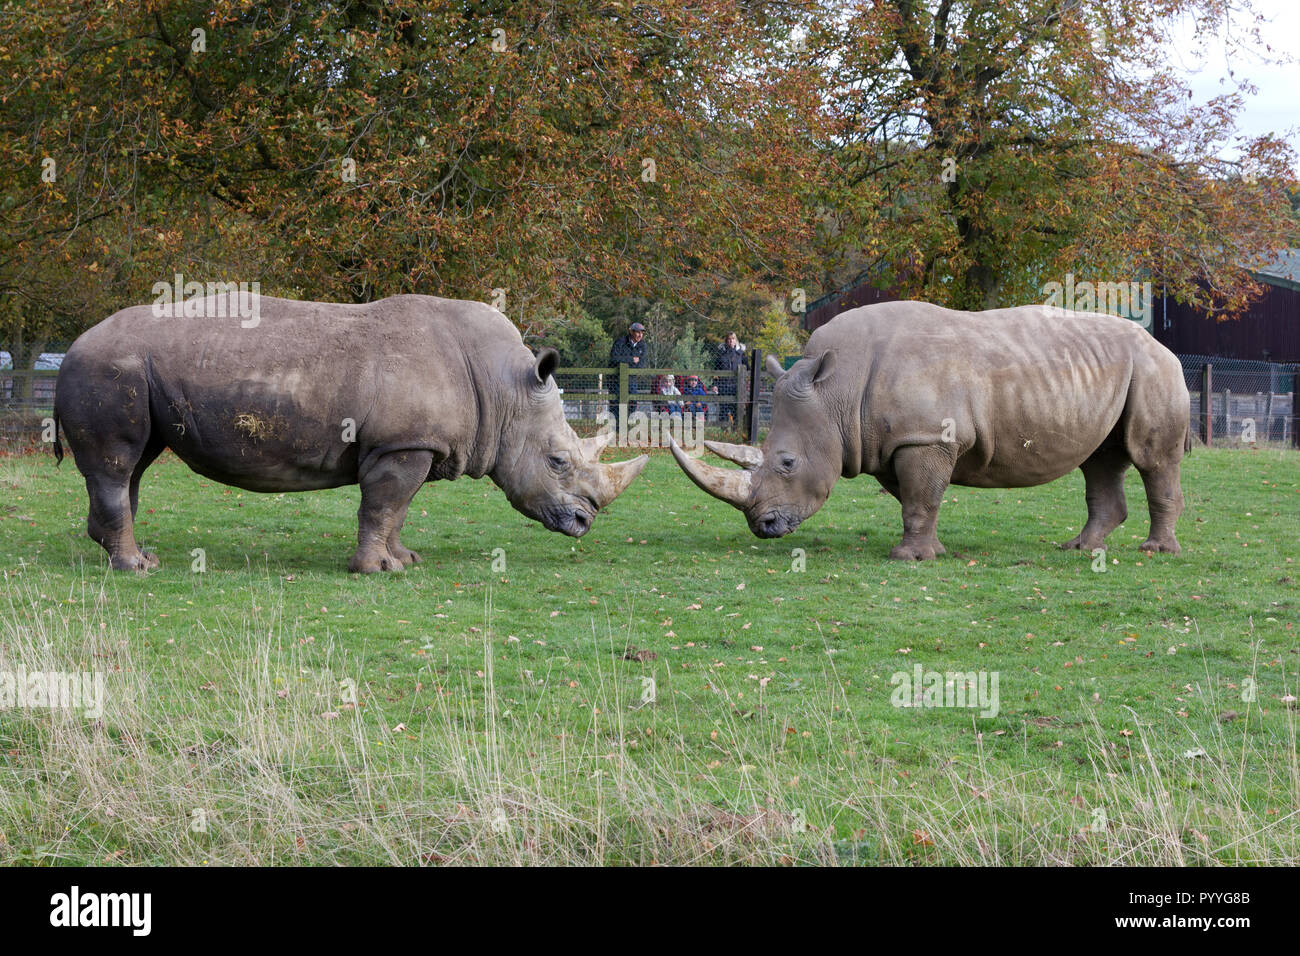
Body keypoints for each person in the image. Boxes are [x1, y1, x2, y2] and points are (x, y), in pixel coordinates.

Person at [608, 322, 647, 420]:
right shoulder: (620, 342)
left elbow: (641, 363)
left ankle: (628, 424)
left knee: (633, 401)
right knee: (616, 403)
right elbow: (614, 358)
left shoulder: (642, 345)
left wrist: (632, 366)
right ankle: (616, 428)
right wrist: (631, 360)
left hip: (632, 379)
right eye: (638, 332)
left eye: (642, 332)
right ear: (631, 332)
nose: (640, 335)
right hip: (615, 379)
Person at [714, 331, 745, 428]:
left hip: (736, 386)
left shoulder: (741, 354)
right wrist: (715, 384)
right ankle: (724, 432)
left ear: (736, 341)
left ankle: (736, 431)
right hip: (723, 385)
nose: (731, 341)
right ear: (726, 341)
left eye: (733, 339)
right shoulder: (721, 354)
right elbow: (715, 371)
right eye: (729, 339)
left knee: (736, 410)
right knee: (723, 410)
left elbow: (746, 368)